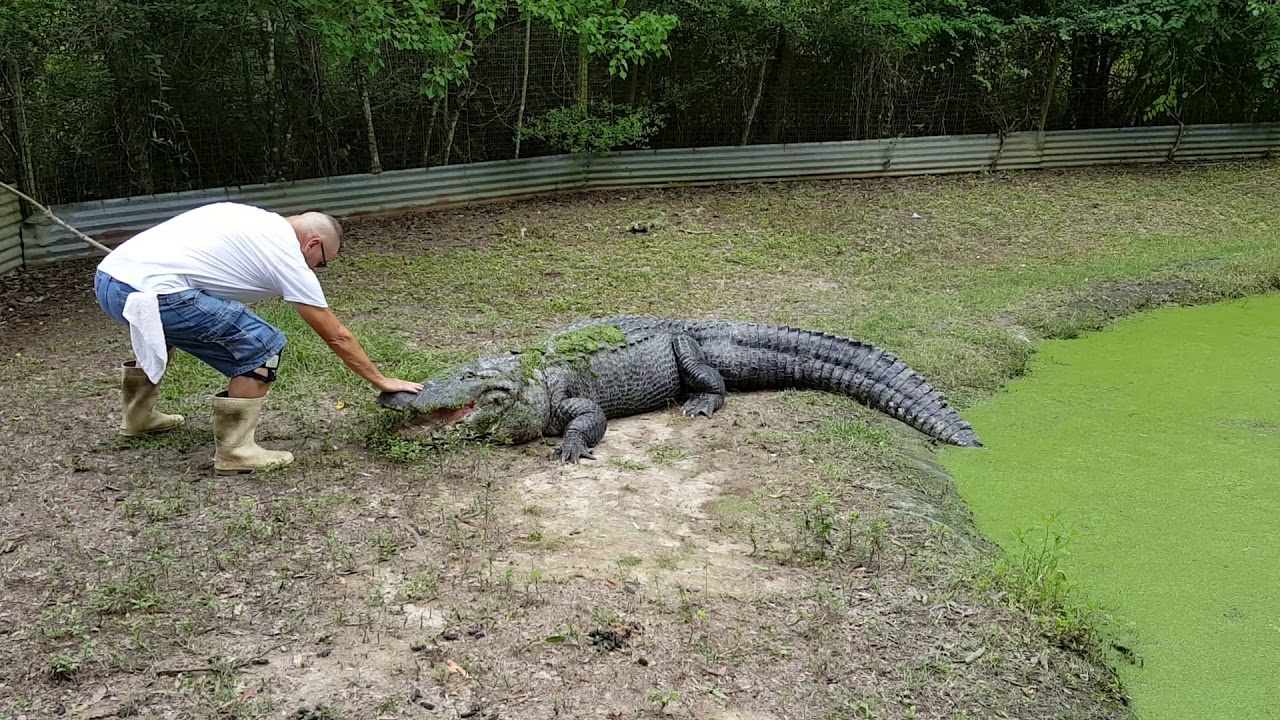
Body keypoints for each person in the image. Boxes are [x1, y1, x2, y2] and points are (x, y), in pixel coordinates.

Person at [93, 202, 423, 475]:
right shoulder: (288, 255)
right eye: (321, 264)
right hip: (149, 292)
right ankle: (235, 451)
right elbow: (336, 335)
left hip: (111, 280)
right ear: (312, 244)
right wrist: (381, 380)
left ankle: (139, 417)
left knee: (166, 328)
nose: (316, 270)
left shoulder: (254, 218)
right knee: (262, 345)